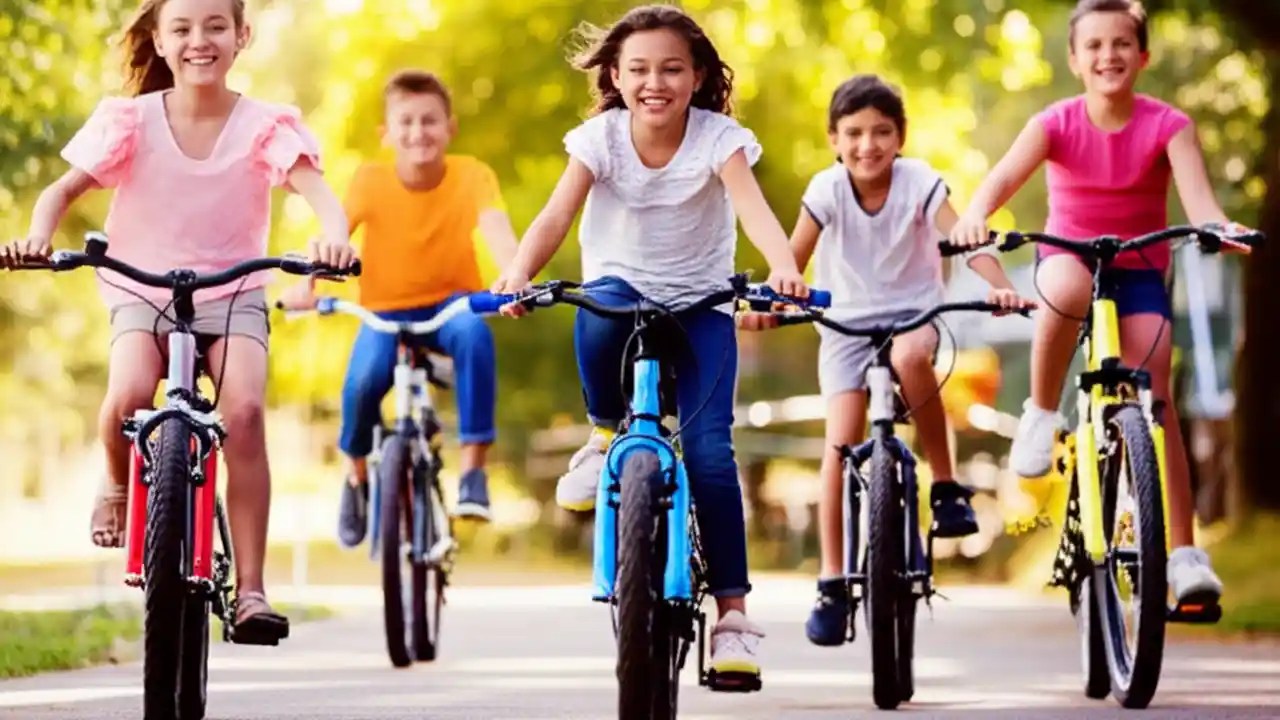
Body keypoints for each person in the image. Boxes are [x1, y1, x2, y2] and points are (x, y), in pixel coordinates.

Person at [0, 0, 356, 642]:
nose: (201, 41)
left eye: (216, 26)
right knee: (130, 394)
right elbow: (59, 193)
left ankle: (251, 590)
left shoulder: (264, 125)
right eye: (183, 29)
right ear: (159, 42)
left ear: (242, 36)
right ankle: (115, 483)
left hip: (234, 290)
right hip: (144, 287)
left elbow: (323, 201)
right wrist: (34, 238)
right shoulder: (129, 122)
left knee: (244, 412)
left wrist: (334, 242)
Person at [490, 3, 807, 682]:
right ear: (614, 74)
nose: (653, 81)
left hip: (701, 308)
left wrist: (784, 267)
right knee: (597, 303)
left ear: (697, 77)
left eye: (671, 68)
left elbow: (753, 208)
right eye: (637, 69)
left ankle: (733, 618)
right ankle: (604, 434)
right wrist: (520, 272)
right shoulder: (599, 139)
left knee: (714, 455)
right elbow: (556, 213)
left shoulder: (720, 139)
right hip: (620, 296)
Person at [949, 0, 1253, 605]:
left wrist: (1222, 228)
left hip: (1140, 268)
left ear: (1142, 56)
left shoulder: (1170, 125)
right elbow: (999, 181)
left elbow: (1201, 205)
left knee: (1157, 392)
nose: (1108, 55)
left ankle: (1185, 554)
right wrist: (976, 215)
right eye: (1094, 45)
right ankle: (1041, 412)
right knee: (1064, 289)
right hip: (1070, 257)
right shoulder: (1055, 123)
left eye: (1121, 44)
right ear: (1074, 58)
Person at [740, 74, 1033, 645]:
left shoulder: (920, 183)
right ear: (834, 138)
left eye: (881, 132)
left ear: (900, 138)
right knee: (838, 446)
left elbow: (966, 242)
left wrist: (1000, 287)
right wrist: (769, 307)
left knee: (911, 356)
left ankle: (946, 486)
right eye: (853, 133)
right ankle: (830, 581)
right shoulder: (825, 191)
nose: (867, 145)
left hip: (911, 315)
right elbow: (790, 266)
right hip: (845, 324)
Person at [281, 70, 519, 544]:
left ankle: (473, 472)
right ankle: (356, 479)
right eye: (405, 122)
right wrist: (309, 288)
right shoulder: (370, 181)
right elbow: (334, 239)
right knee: (363, 383)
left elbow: (501, 237)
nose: (418, 132)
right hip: (384, 314)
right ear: (385, 133)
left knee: (475, 335)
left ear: (449, 127)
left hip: (452, 307)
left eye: (429, 120)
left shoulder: (473, 175)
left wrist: (516, 280)